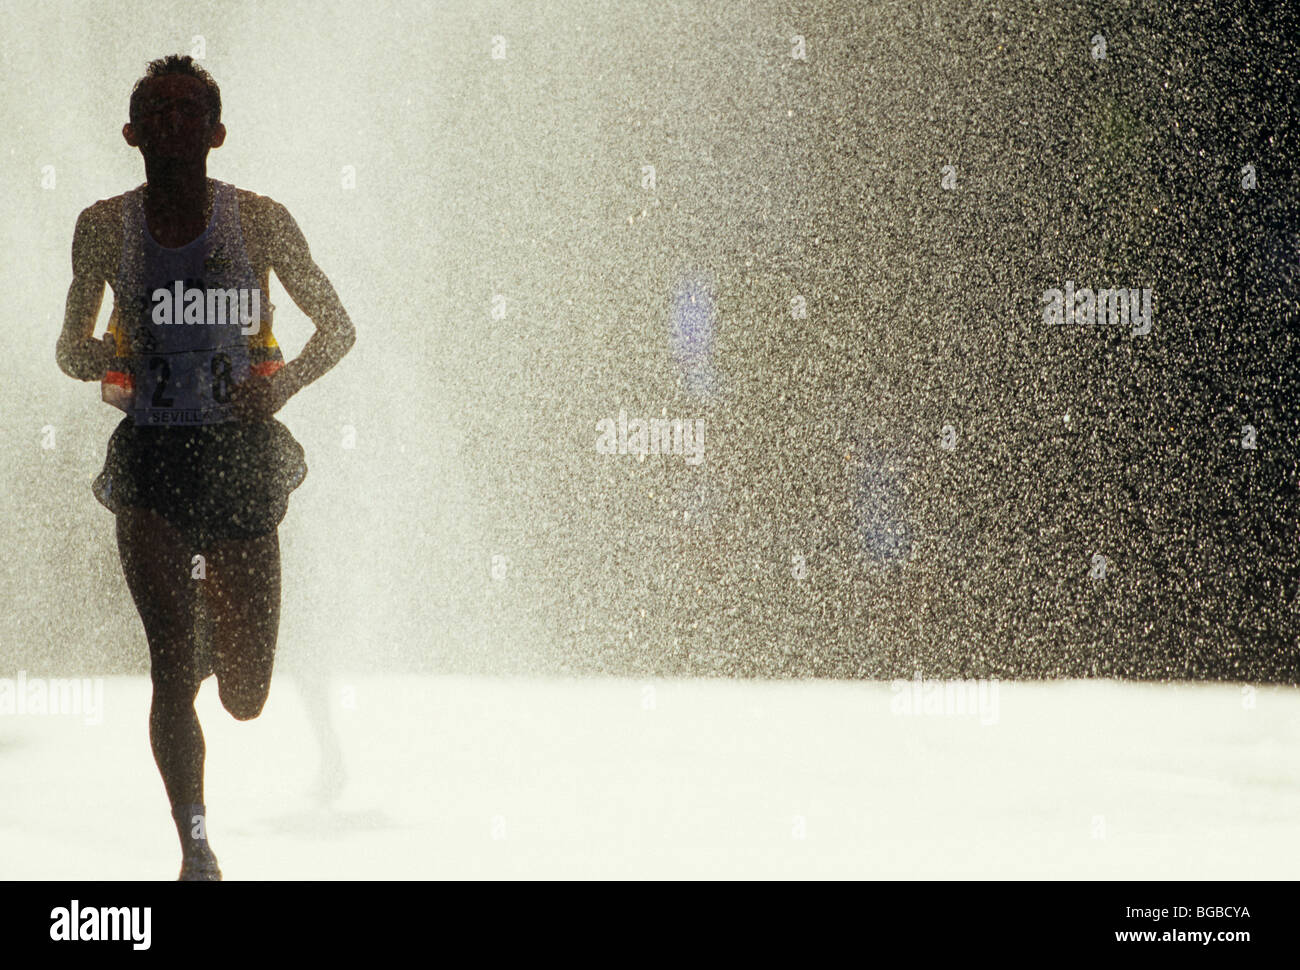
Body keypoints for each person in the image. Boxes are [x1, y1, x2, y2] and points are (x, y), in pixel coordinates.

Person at [55, 54, 356, 880]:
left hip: (240, 459)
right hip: (152, 457)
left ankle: (212, 628)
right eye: (157, 111)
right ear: (131, 133)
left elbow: (337, 326)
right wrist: (106, 358)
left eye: (190, 111)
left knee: (246, 696)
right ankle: (195, 848)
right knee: (167, 665)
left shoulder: (259, 221)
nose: (174, 124)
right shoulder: (102, 228)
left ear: (218, 133)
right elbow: (69, 346)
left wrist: (282, 386)